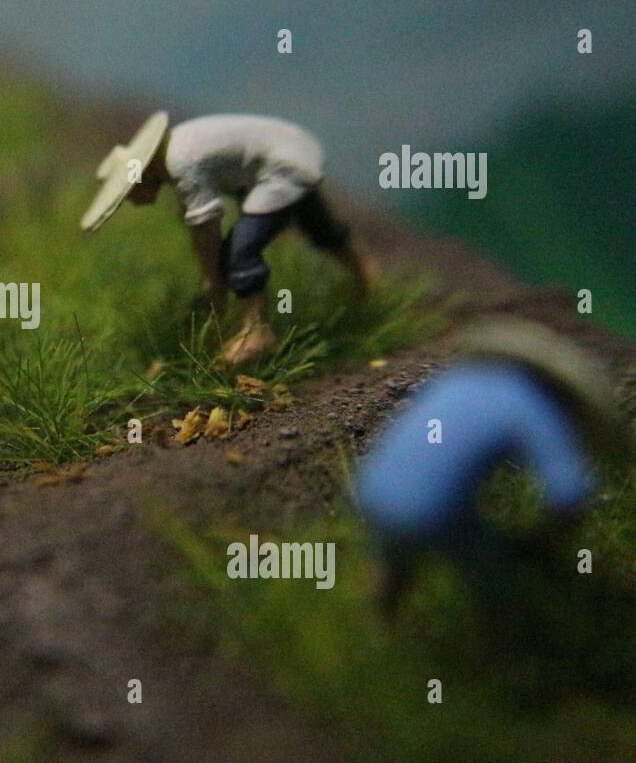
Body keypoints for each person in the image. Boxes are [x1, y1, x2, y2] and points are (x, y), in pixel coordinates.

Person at [354, 319, 630, 616]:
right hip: (429, 511)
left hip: (370, 488)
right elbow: (569, 493)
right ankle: (501, 636)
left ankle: (380, 620)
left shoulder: (458, 379)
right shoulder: (534, 406)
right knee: (495, 578)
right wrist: (540, 541)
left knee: (398, 556)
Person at [81, 112, 376, 364]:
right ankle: (364, 275)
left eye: (129, 193)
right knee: (318, 225)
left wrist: (212, 279)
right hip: (290, 149)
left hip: (281, 167)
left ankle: (256, 331)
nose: (131, 200)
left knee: (239, 252)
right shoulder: (176, 149)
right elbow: (196, 218)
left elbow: (206, 225)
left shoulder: (181, 163)